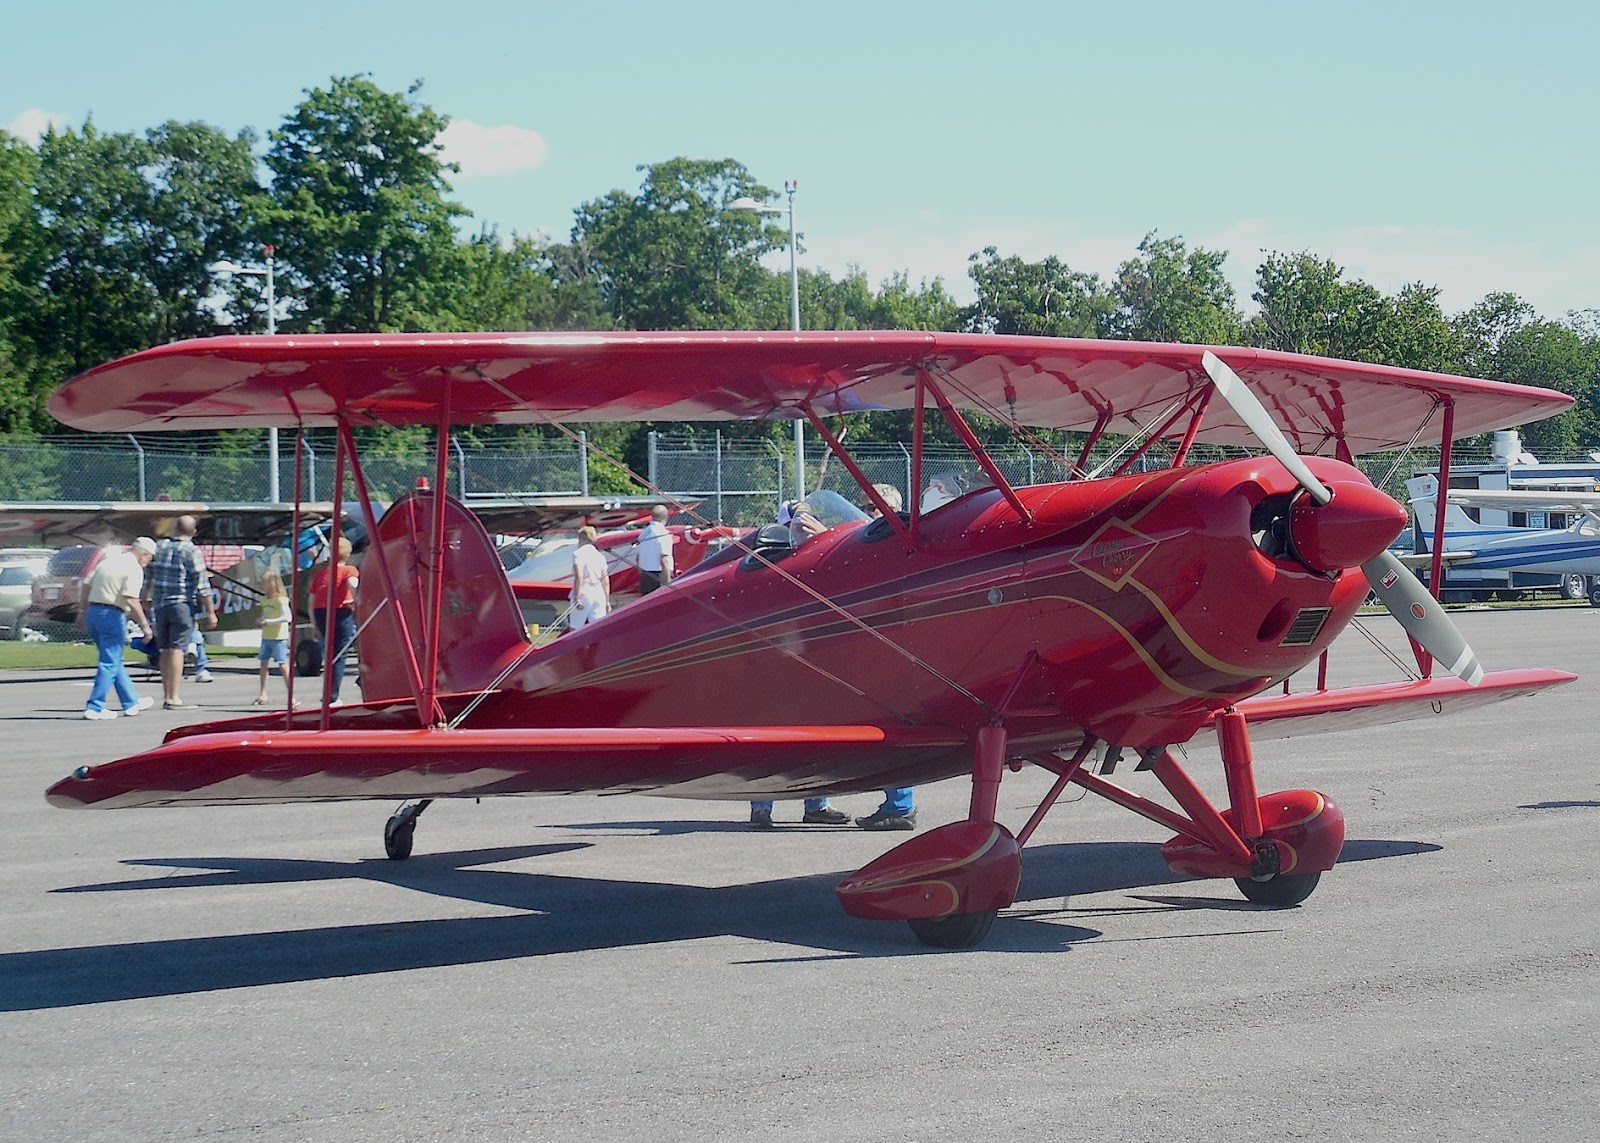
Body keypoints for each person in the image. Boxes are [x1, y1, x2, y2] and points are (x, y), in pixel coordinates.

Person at [80, 537, 157, 720]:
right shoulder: (134, 569)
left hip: (93, 611)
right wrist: (145, 626)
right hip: (112, 615)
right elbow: (131, 598)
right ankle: (95, 706)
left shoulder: (108, 561)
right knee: (109, 662)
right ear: (143, 554)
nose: (148, 562)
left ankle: (131, 702)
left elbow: (86, 584)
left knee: (114, 659)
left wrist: (82, 612)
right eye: (149, 558)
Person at [148, 515, 216, 710]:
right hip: (181, 604)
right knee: (178, 648)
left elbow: (149, 574)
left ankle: (166, 693)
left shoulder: (160, 547)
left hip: (160, 604)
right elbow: (201, 584)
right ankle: (174, 697)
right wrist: (210, 611)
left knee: (165, 649)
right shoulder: (191, 550)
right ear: (193, 532)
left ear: (175, 529)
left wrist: (145, 595)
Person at [310, 535, 359, 703]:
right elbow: (353, 584)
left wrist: (314, 624)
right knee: (339, 654)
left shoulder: (321, 573)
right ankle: (332, 697)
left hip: (320, 613)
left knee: (329, 652)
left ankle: (328, 693)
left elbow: (311, 600)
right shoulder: (349, 570)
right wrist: (356, 599)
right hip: (340, 613)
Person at [254, 568, 292, 705]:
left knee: (283, 665)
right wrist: (261, 620)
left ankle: (291, 695)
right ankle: (263, 693)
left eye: (264, 583)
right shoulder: (264, 599)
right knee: (263, 664)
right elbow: (266, 614)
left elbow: (287, 618)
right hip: (266, 636)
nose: (262, 586)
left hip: (278, 637)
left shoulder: (281, 600)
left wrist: (268, 622)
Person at [568, 526, 611, 629]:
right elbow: (605, 581)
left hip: (585, 592)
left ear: (582, 538)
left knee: (575, 627)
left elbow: (579, 576)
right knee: (597, 627)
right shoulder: (600, 556)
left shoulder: (578, 554)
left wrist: (577, 597)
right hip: (599, 593)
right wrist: (607, 600)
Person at [634, 505, 675, 595]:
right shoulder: (663, 534)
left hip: (645, 577)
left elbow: (637, 558)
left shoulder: (644, 533)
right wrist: (667, 583)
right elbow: (664, 560)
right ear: (666, 517)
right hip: (658, 576)